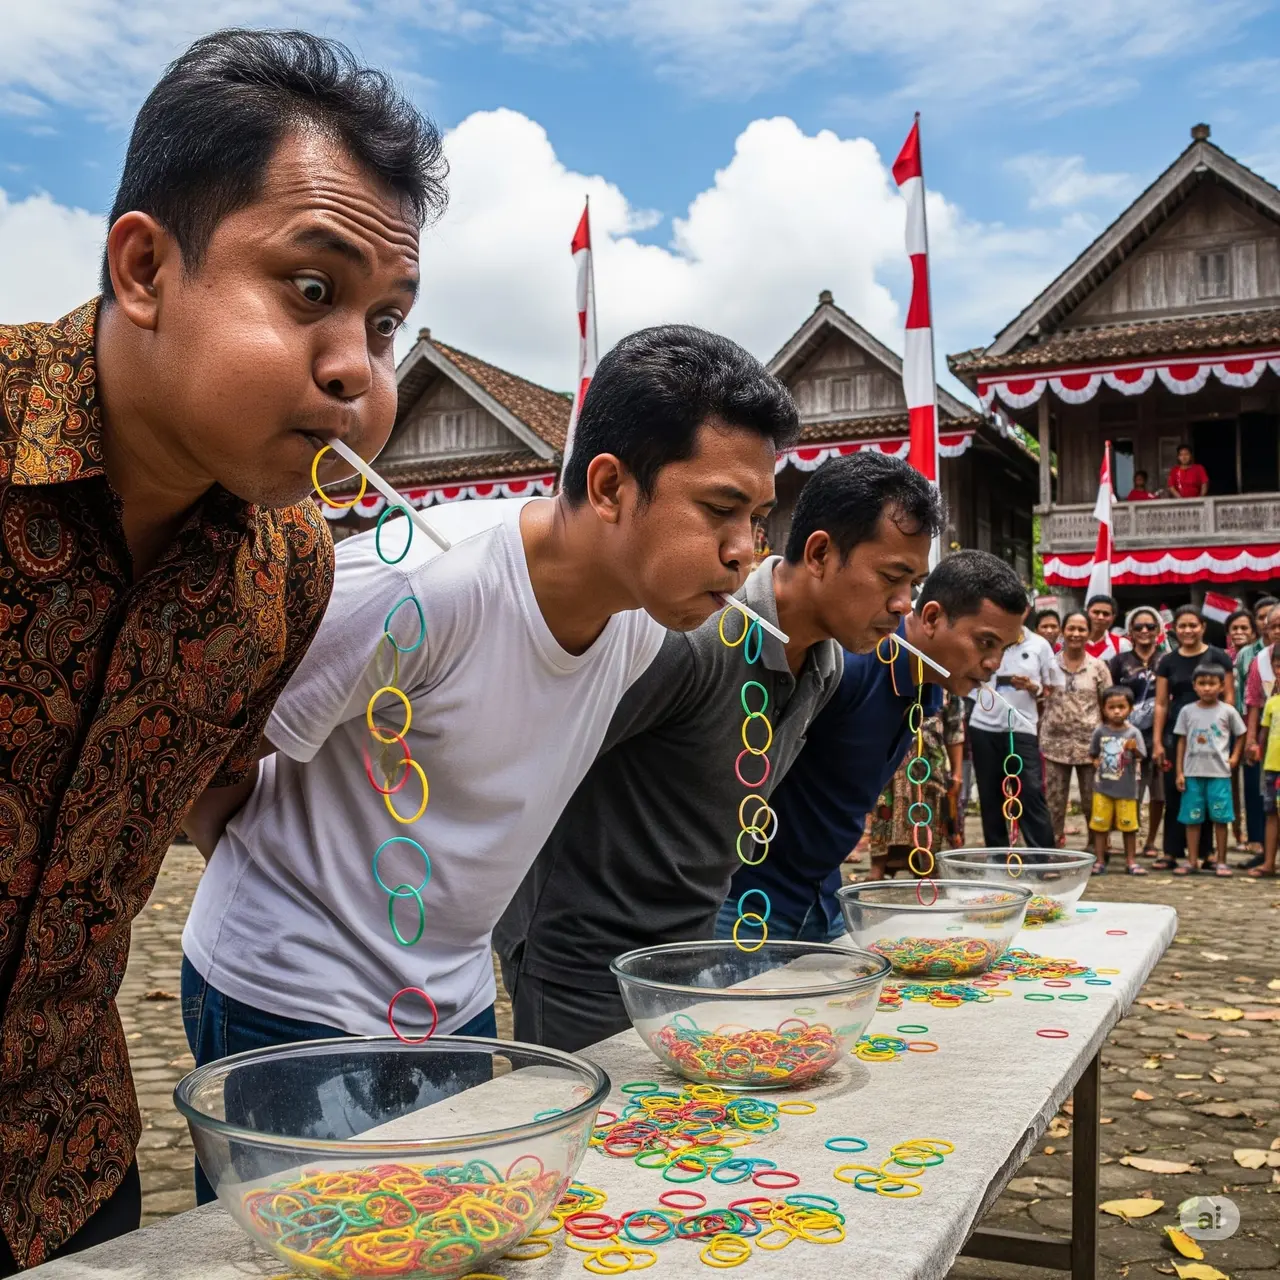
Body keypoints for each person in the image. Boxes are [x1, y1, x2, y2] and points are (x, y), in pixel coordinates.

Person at [0, 30, 447, 1272]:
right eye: (311, 289)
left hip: (65, 1167)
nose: (357, 368)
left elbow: (201, 793)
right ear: (144, 266)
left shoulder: (289, 571)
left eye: (388, 320)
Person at [180, 326, 801, 1195]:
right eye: (718, 510)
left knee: (438, 1234)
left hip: (456, 1004)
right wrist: (292, 897)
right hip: (294, 1004)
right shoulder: (428, 586)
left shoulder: (637, 623)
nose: (745, 550)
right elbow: (208, 748)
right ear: (612, 485)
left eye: (758, 519)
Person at [493, 453, 944, 1051]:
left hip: (689, 953)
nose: (903, 604)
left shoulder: (828, 665)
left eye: (913, 584)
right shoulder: (693, 639)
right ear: (818, 554)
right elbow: (548, 756)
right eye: (891, 578)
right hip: (582, 961)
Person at [723, 550, 1029, 940]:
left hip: (825, 896)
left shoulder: (928, 690)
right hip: (751, 901)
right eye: (985, 642)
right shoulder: (847, 668)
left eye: (1003, 648)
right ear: (932, 617)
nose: (993, 663)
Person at [969, 609, 1062, 849]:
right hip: (984, 724)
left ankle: (1042, 856)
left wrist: (1033, 687)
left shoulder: (1039, 645)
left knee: (1029, 790)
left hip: (1022, 725)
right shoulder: (984, 640)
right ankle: (997, 857)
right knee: (990, 795)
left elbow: (1052, 687)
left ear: (1026, 611)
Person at [1152, 607, 1233, 869]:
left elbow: (1229, 699)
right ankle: (1171, 851)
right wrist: (1156, 741)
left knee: (1210, 791)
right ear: (1175, 628)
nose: (1188, 631)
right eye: (1182, 626)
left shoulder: (1219, 656)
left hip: (1213, 734)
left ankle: (1208, 853)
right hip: (1177, 732)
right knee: (1177, 789)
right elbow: (1162, 703)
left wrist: (1226, 737)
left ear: (1202, 627)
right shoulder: (1168, 661)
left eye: (1193, 625)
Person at [866, 692, 966, 878]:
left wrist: (957, 774)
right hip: (891, 755)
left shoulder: (947, 683)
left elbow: (955, 731)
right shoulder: (892, 675)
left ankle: (926, 864)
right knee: (884, 806)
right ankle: (879, 865)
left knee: (929, 808)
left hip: (930, 760)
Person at [1040, 611, 1111, 851]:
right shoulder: (1049, 665)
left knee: (1093, 801)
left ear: (1089, 633)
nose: (1076, 634)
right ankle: (1051, 851)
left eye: (1082, 629)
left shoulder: (1098, 668)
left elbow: (1109, 705)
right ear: (1063, 630)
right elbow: (1039, 698)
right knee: (1054, 803)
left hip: (1090, 746)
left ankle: (1096, 849)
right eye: (1071, 628)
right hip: (1054, 744)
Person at [1174, 664, 1245, 876]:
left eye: (1212, 684)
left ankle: (1221, 861)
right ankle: (1192, 860)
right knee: (1192, 818)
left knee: (1221, 818)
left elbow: (1240, 733)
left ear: (1222, 686)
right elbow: (1182, 741)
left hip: (1219, 774)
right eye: (1202, 684)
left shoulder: (1227, 711)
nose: (1207, 688)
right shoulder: (1187, 711)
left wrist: (1234, 757)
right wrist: (1179, 771)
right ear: (1194, 686)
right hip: (1193, 773)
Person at [1109, 607, 1166, 855]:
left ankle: (1151, 840)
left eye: (1150, 627)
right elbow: (1108, 697)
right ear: (1130, 631)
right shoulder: (1119, 662)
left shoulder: (1167, 660)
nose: (1145, 631)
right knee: (1129, 790)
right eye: (1139, 627)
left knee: (1159, 792)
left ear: (1158, 631)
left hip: (1162, 735)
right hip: (1127, 735)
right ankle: (1130, 841)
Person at [1089, 686, 1148, 875]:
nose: (1116, 711)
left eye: (1121, 707)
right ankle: (1099, 860)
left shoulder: (1133, 733)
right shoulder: (1100, 732)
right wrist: (1096, 762)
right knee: (1100, 826)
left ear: (1130, 708)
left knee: (1129, 826)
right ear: (1104, 709)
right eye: (1111, 707)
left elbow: (1142, 756)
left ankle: (1130, 860)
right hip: (1103, 788)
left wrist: (1134, 749)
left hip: (1127, 789)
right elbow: (1092, 754)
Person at [1224, 609, 1262, 854]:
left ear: (1253, 632)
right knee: (1229, 782)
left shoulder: (1260, 656)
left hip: (1250, 724)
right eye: (1234, 629)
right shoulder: (1222, 657)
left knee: (1252, 783)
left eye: (1244, 629)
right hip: (1226, 725)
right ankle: (1236, 832)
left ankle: (1254, 834)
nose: (1239, 633)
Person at [1249, 686, 1280, 878]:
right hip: (1272, 767)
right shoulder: (1272, 703)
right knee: (1271, 814)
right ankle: (1269, 863)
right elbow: (1264, 734)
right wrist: (1256, 750)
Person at [1084, 594, 1130, 660]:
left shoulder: (1122, 644)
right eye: (1096, 612)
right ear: (1087, 613)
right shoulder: (1071, 641)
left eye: (1106, 614)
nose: (1100, 617)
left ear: (1113, 618)